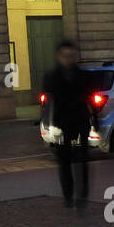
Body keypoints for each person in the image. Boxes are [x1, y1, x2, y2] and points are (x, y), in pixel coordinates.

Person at [41, 39, 94, 210]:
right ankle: (68, 196)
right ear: (59, 56)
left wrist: (94, 121)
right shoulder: (51, 77)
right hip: (61, 125)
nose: (68, 59)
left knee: (82, 160)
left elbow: (90, 100)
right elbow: (48, 103)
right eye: (65, 55)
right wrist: (47, 122)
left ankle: (82, 196)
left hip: (80, 123)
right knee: (63, 161)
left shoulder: (83, 76)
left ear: (75, 56)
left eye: (71, 55)